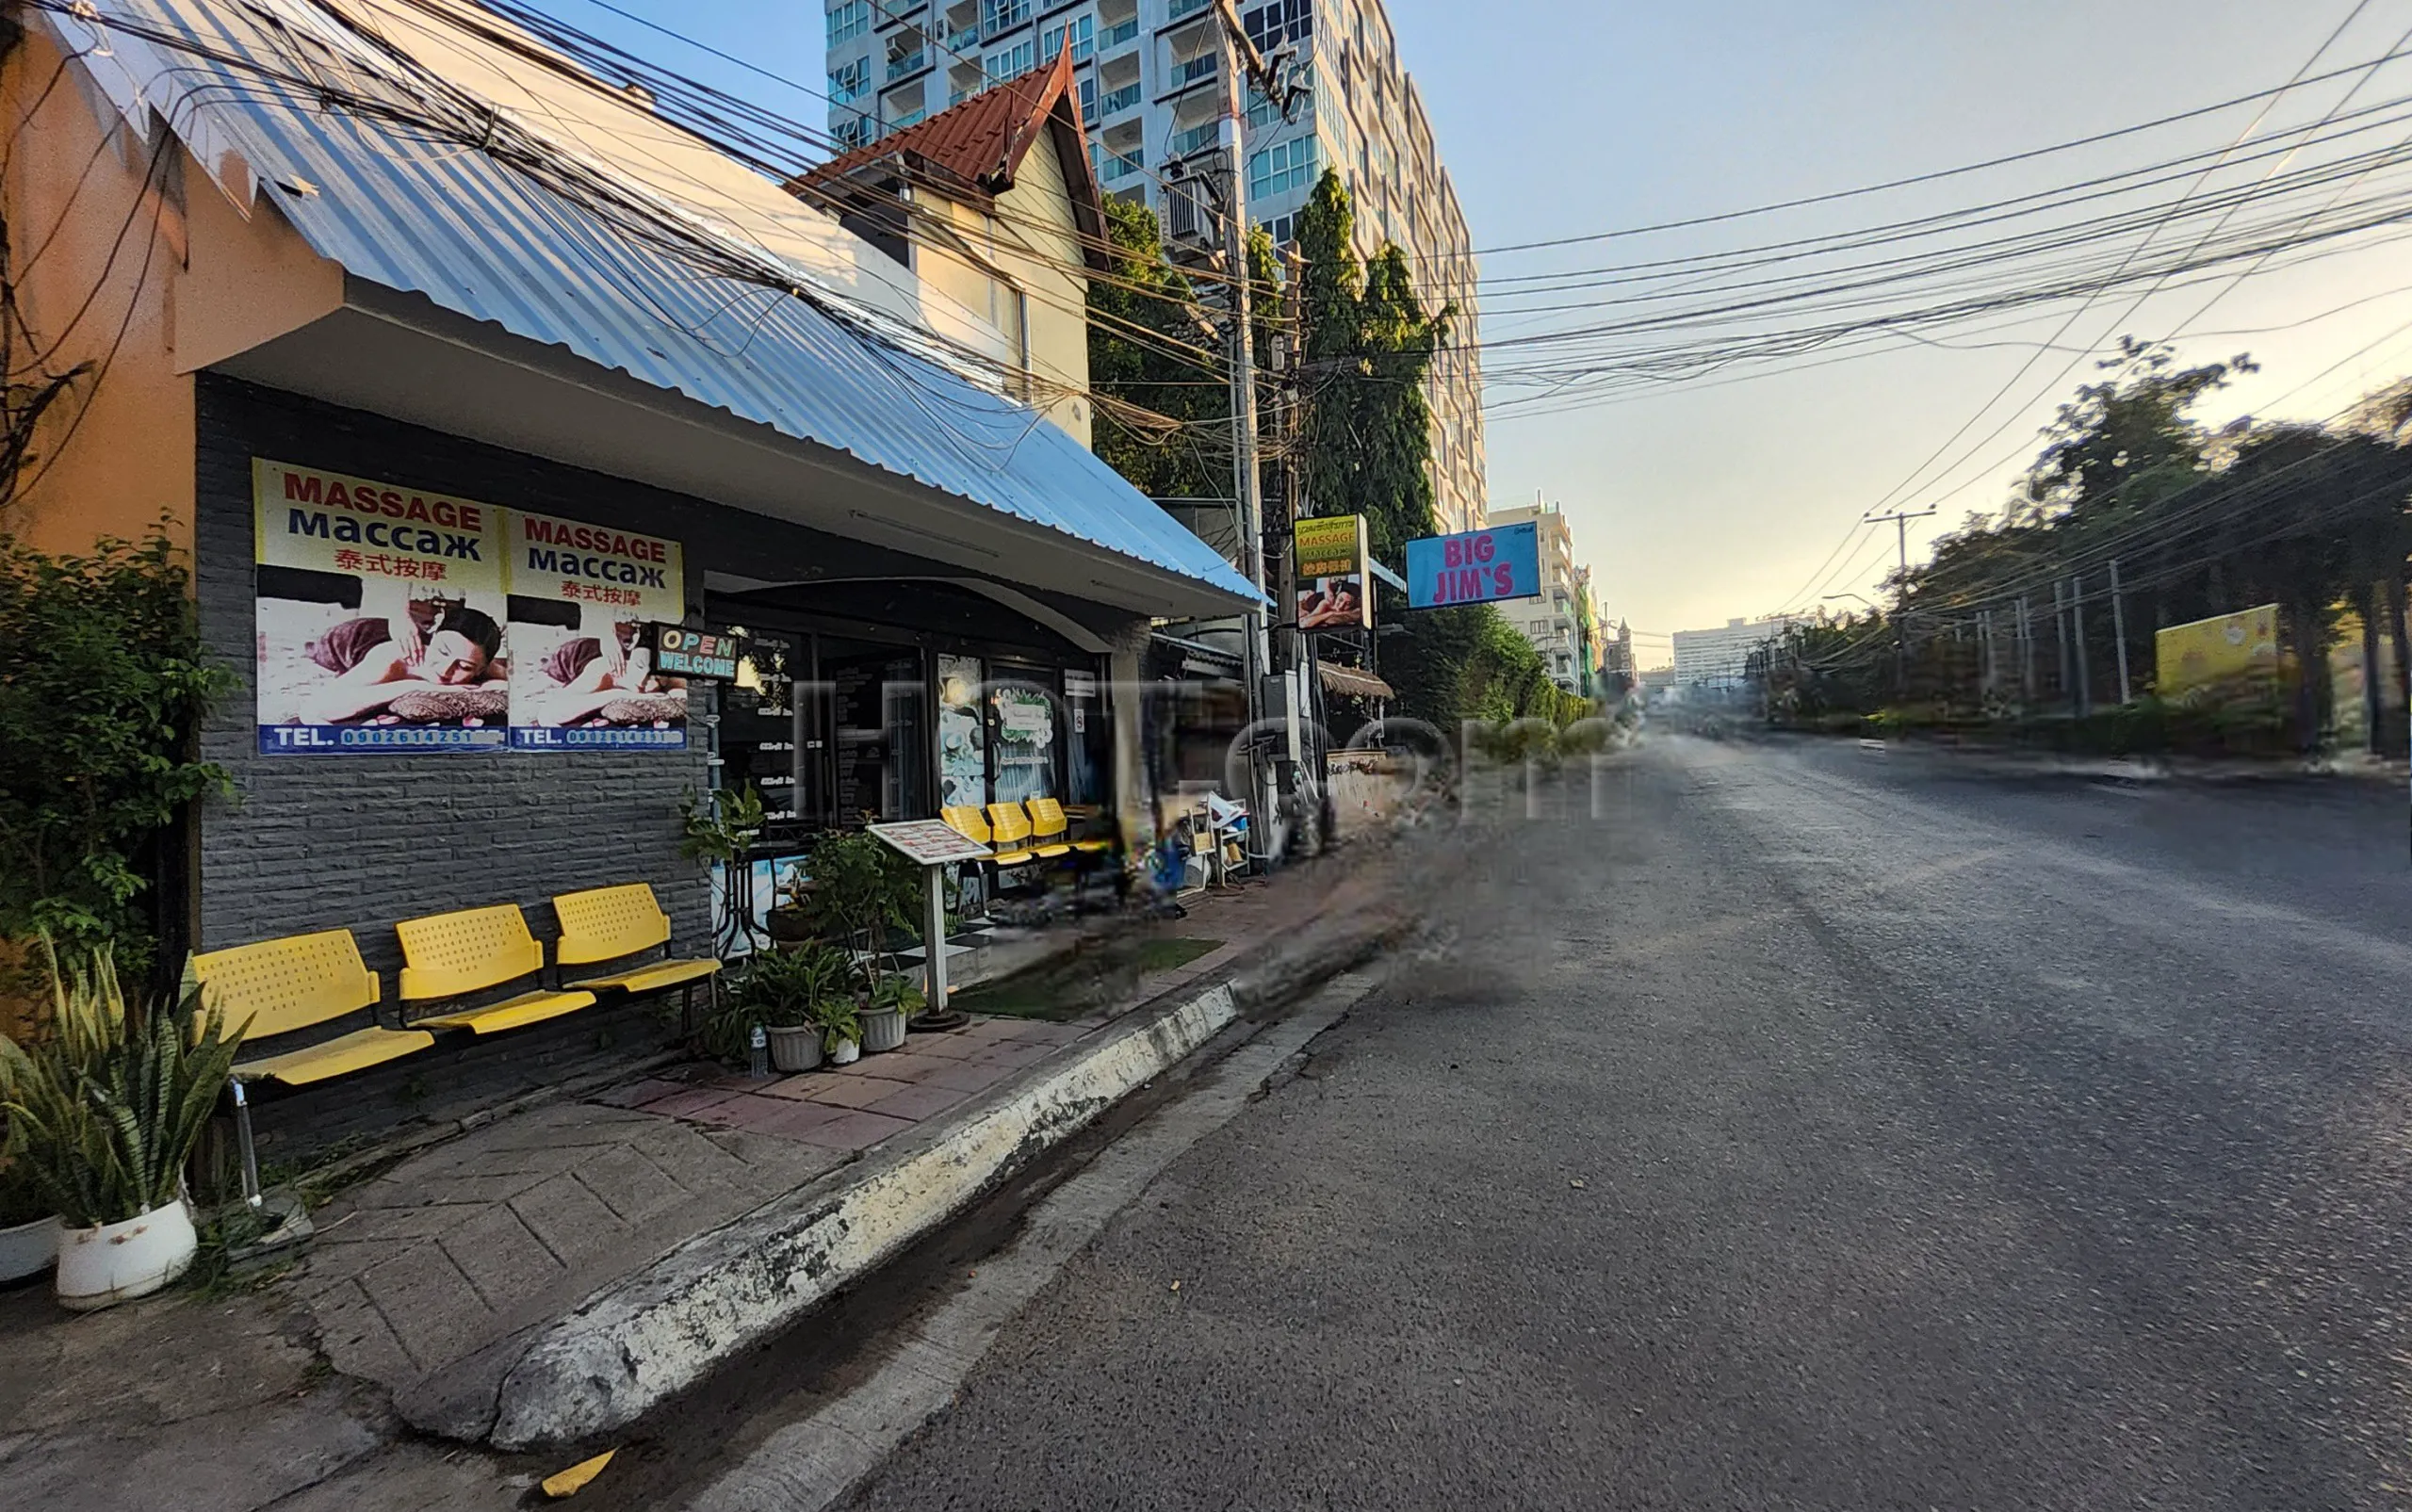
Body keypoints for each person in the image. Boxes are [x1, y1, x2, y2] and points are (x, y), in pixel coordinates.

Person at [301, 597, 507, 724]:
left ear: (481, 669)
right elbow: (315, 708)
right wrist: (412, 686)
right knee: (317, 650)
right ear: (434, 637)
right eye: (442, 652)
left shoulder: (487, 667)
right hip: (354, 637)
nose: (445, 670)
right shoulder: (393, 660)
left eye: (464, 667)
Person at [521, 620, 686, 726]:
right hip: (571, 662)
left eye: (653, 678)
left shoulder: (669, 675)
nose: (643, 680)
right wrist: (617, 694)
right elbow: (548, 714)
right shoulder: (605, 670)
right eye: (639, 667)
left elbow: (682, 696)